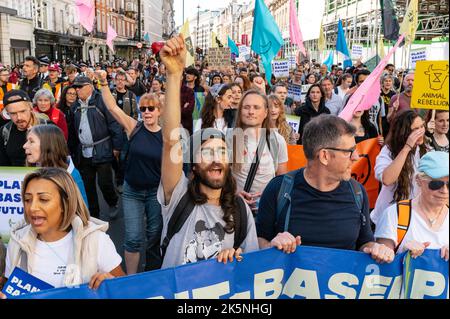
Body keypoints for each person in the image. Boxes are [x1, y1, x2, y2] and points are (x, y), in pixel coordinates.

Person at [157, 34, 259, 268]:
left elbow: (251, 268)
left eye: (222, 152)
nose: (216, 160)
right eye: (207, 152)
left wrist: (236, 259)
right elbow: (171, 141)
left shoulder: (241, 210)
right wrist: (174, 75)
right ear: (192, 163)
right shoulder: (178, 195)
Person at [256, 115, 395, 263]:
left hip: (341, 284)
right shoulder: (279, 189)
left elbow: (364, 242)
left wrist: (377, 248)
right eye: (349, 151)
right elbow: (259, 240)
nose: (355, 157)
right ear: (324, 156)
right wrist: (272, 245)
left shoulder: (358, 192)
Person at [0, 167, 125, 297]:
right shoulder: (17, 242)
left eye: (43, 199)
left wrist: (112, 284)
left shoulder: (96, 241)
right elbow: (10, 290)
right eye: (27, 200)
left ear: (66, 203)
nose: (32, 207)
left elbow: (128, 291)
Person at [96, 70, 163, 273]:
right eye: (143, 108)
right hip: (132, 191)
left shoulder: (169, 134)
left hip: (156, 193)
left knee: (154, 236)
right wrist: (103, 83)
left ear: (159, 111)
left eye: (151, 108)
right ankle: (131, 280)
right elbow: (112, 107)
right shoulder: (134, 127)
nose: (147, 112)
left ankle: (153, 275)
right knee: (133, 238)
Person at [375, 151, 448, 261]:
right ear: (419, 180)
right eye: (436, 184)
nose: (444, 191)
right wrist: (402, 252)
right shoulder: (395, 214)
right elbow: (380, 263)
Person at [69, 76, 123, 220]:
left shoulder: (102, 100)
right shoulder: (75, 106)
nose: (77, 90)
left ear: (90, 87)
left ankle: (112, 202)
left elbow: (114, 124)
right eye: (75, 87)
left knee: (104, 182)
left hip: (102, 148)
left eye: (80, 87)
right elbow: (73, 132)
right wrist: (73, 152)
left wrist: (117, 147)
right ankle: (94, 214)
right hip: (84, 151)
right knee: (88, 184)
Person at [230, 90, 289, 214]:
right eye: (246, 107)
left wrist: (270, 193)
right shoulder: (228, 138)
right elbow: (219, 178)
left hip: (265, 211)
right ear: (240, 111)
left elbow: (282, 180)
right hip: (235, 210)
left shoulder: (277, 141)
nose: (251, 112)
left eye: (256, 108)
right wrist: (233, 194)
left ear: (266, 112)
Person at [371, 110, 426, 226]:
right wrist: (406, 148)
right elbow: (387, 179)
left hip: (413, 218)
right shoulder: (388, 151)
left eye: (422, 126)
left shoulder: (425, 150)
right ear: (404, 132)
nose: (420, 132)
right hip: (388, 218)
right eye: (415, 129)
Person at [23, 124, 88, 205]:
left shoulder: (71, 176)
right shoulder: (28, 173)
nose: (24, 146)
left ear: (48, 145)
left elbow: (81, 212)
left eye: (31, 141)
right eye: (27, 141)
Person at [0, 90, 49, 166]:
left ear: (31, 108)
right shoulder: (4, 131)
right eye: (13, 113)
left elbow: (58, 159)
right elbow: (2, 164)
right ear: (7, 113)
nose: (19, 117)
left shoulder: (48, 127)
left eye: (22, 111)